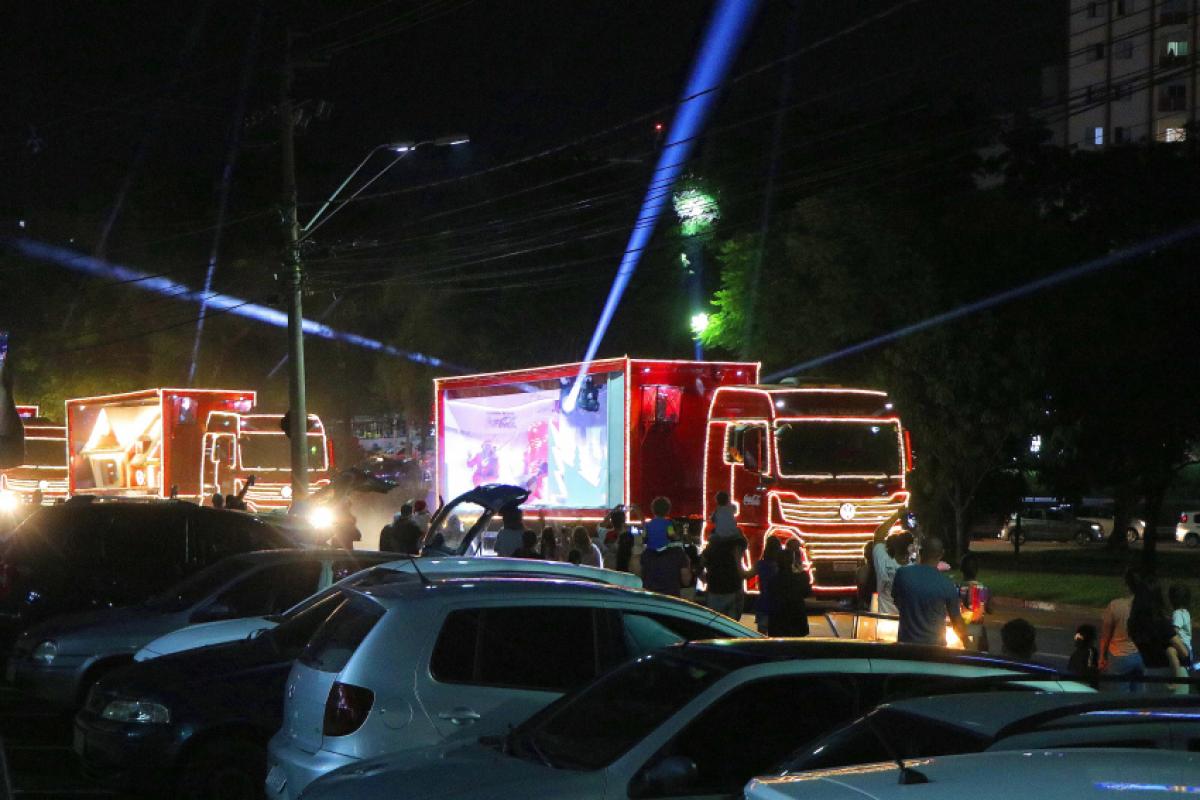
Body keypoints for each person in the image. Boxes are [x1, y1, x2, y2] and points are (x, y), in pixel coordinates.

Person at [891, 536, 968, 647]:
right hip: (935, 650)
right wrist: (968, 645)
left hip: (906, 648)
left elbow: (897, 601)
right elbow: (956, 621)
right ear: (941, 554)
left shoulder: (902, 574)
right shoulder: (947, 584)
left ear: (921, 552)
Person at [1128, 577, 1189, 694]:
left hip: (1151, 673)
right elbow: (1184, 652)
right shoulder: (1161, 622)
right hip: (1172, 674)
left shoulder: (1134, 624)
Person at [1100, 567, 1146, 689]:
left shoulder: (1115, 606)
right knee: (1139, 698)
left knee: (1119, 698)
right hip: (1142, 656)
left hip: (1120, 656)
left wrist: (1102, 657)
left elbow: (1106, 636)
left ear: (1126, 583)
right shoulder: (1145, 604)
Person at [702, 531, 754, 620]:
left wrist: (705, 577)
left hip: (714, 589)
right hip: (732, 589)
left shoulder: (712, 544)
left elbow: (701, 563)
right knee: (731, 625)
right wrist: (754, 571)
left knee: (714, 624)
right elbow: (740, 571)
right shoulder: (737, 543)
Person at [767, 544, 811, 637]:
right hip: (796, 616)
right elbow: (807, 592)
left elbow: (769, 594)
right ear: (792, 561)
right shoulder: (801, 577)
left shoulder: (773, 578)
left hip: (778, 618)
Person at [957, 553, 991, 652]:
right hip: (977, 629)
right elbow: (990, 609)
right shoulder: (983, 589)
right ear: (977, 570)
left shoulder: (956, 587)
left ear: (961, 569)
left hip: (960, 630)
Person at [754, 537, 784, 634]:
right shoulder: (781, 567)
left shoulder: (760, 565)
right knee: (776, 633)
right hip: (778, 604)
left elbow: (745, 574)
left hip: (763, 602)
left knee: (761, 635)